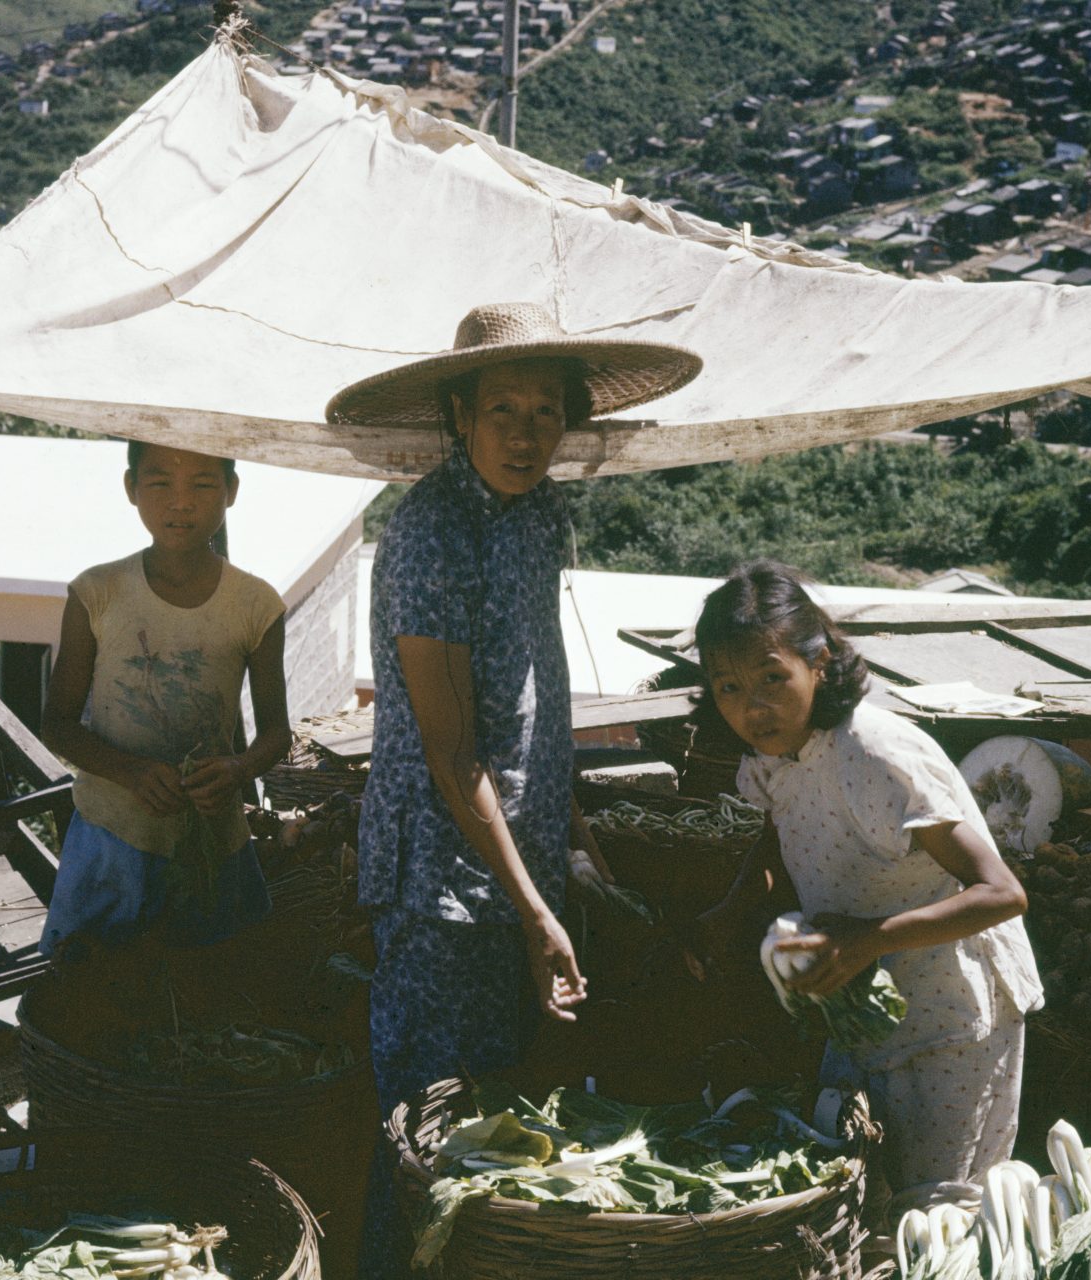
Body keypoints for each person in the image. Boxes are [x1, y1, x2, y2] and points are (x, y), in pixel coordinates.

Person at [325, 301, 701, 1277]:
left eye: (546, 411)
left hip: (520, 863)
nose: (525, 433)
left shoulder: (538, 517)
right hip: (441, 880)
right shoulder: (431, 532)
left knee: (499, 1129)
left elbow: (540, 700)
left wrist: (573, 848)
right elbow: (453, 752)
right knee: (427, 1129)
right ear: (460, 414)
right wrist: (538, 911)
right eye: (503, 408)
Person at [690, 560, 1043, 1216]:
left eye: (772, 678)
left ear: (819, 663)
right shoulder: (773, 756)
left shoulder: (874, 756)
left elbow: (1001, 894)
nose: (753, 707)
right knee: (865, 1200)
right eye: (728, 687)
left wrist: (863, 942)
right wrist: (734, 908)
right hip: (868, 1009)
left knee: (940, 1216)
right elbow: (782, 829)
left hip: (954, 1013)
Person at [38, 440, 291, 957]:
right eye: (159, 483)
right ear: (131, 488)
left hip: (212, 843)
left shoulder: (257, 605)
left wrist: (238, 769)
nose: (181, 503)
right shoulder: (96, 593)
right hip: (110, 841)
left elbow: (276, 734)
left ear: (231, 490)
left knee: (205, 985)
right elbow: (57, 724)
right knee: (90, 983)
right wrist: (130, 772)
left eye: (203, 485)